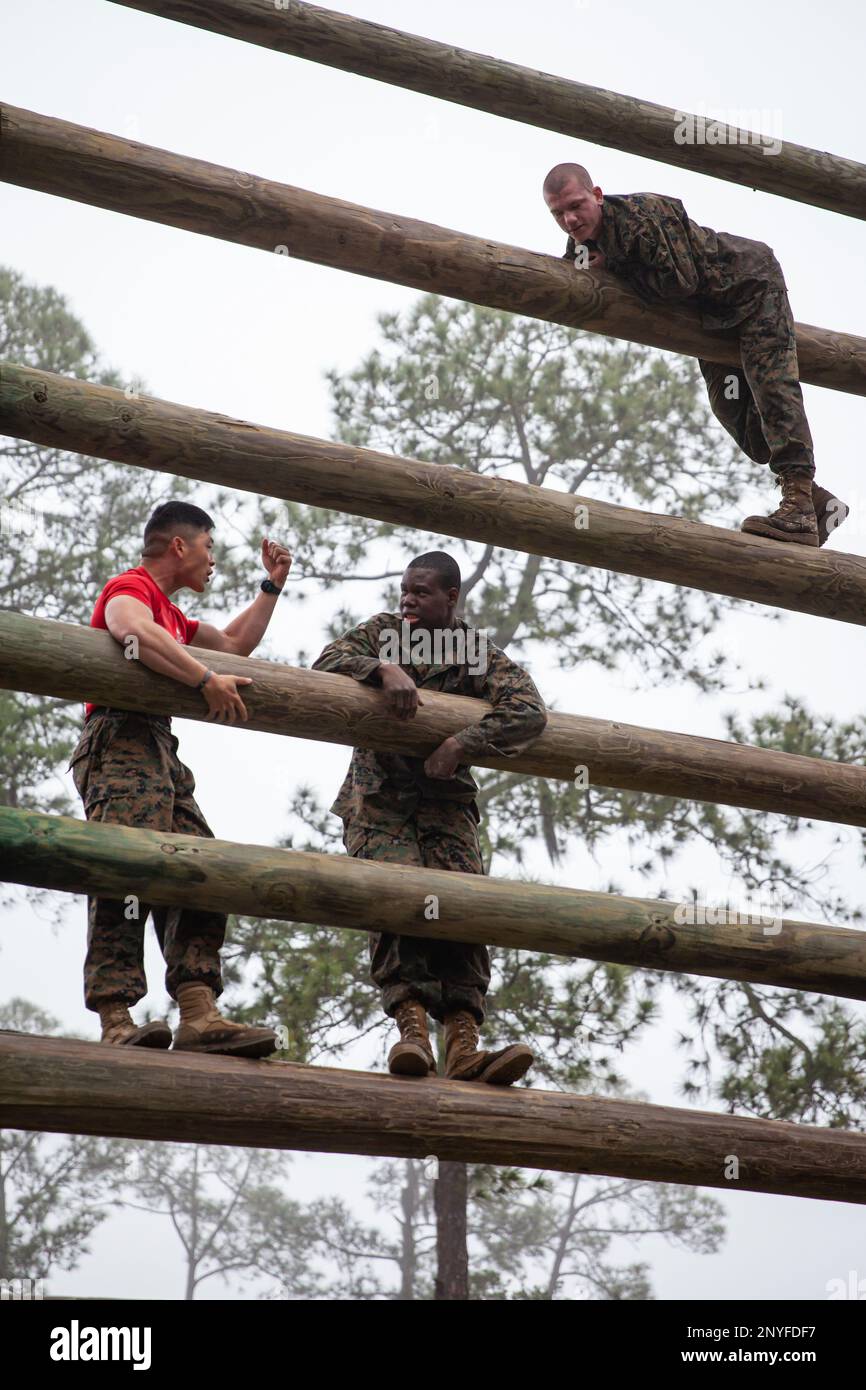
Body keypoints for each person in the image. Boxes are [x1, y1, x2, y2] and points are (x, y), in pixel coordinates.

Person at [311, 551, 548, 1085]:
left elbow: (528, 710)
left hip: (445, 808)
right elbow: (326, 660)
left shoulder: (471, 649)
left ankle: (464, 1045)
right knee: (397, 904)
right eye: (405, 590)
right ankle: (412, 1033)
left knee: (464, 910)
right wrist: (381, 668)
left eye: (421, 592)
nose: (409, 600)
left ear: (451, 598)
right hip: (378, 804)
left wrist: (461, 742)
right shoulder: (383, 633)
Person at [67, 500, 291, 1056]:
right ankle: (116, 1015)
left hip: (161, 752)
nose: (213, 560)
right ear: (179, 546)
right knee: (125, 867)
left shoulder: (175, 617)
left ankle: (197, 1010)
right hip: (118, 742)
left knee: (200, 865)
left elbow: (236, 645)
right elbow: (127, 629)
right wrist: (204, 679)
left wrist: (271, 587)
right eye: (210, 547)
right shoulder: (133, 586)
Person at [543, 161, 848, 548]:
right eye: (558, 213)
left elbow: (679, 282)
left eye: (576, 206)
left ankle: (800, 509)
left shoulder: (642, 218)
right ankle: (820, 501)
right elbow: (579, 271)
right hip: (710, 320)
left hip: (751, 288)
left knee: (773, 391)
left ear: (597, 196)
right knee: (737, 415)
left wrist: (616, 270)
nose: (569, 220)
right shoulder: (583, 244)